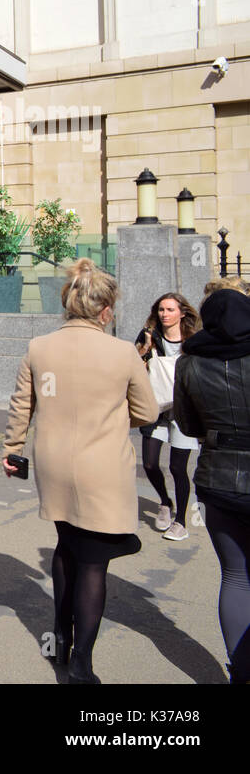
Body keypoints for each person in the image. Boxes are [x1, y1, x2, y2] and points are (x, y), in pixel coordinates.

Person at [2, 259, 158, 683]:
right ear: (106, 311)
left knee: (66, 544)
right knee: (93, 563)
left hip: (53, 462)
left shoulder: (40, 346)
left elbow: (22, 404)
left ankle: (59, 636)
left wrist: (13, 448)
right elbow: (146, 411)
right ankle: (82, 664)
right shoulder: (123, 352)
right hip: (101, 466)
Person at [172, 288, 250, 684]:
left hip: (217, 477)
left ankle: (240, 670)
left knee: (235, 575)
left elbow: (187, 426)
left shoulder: (190, 361)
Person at [134, 293, 201, 540]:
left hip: (184, 409)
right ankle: (164, 501)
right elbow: (133, 364)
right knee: (150, 463)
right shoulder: (149, 335)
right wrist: (144, 349)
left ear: (182, 313)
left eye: (170, 309)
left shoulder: (194, 339)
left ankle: (180, 521)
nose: (164, 314)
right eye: (161, 309)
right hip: (157, 405)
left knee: (177, 467)